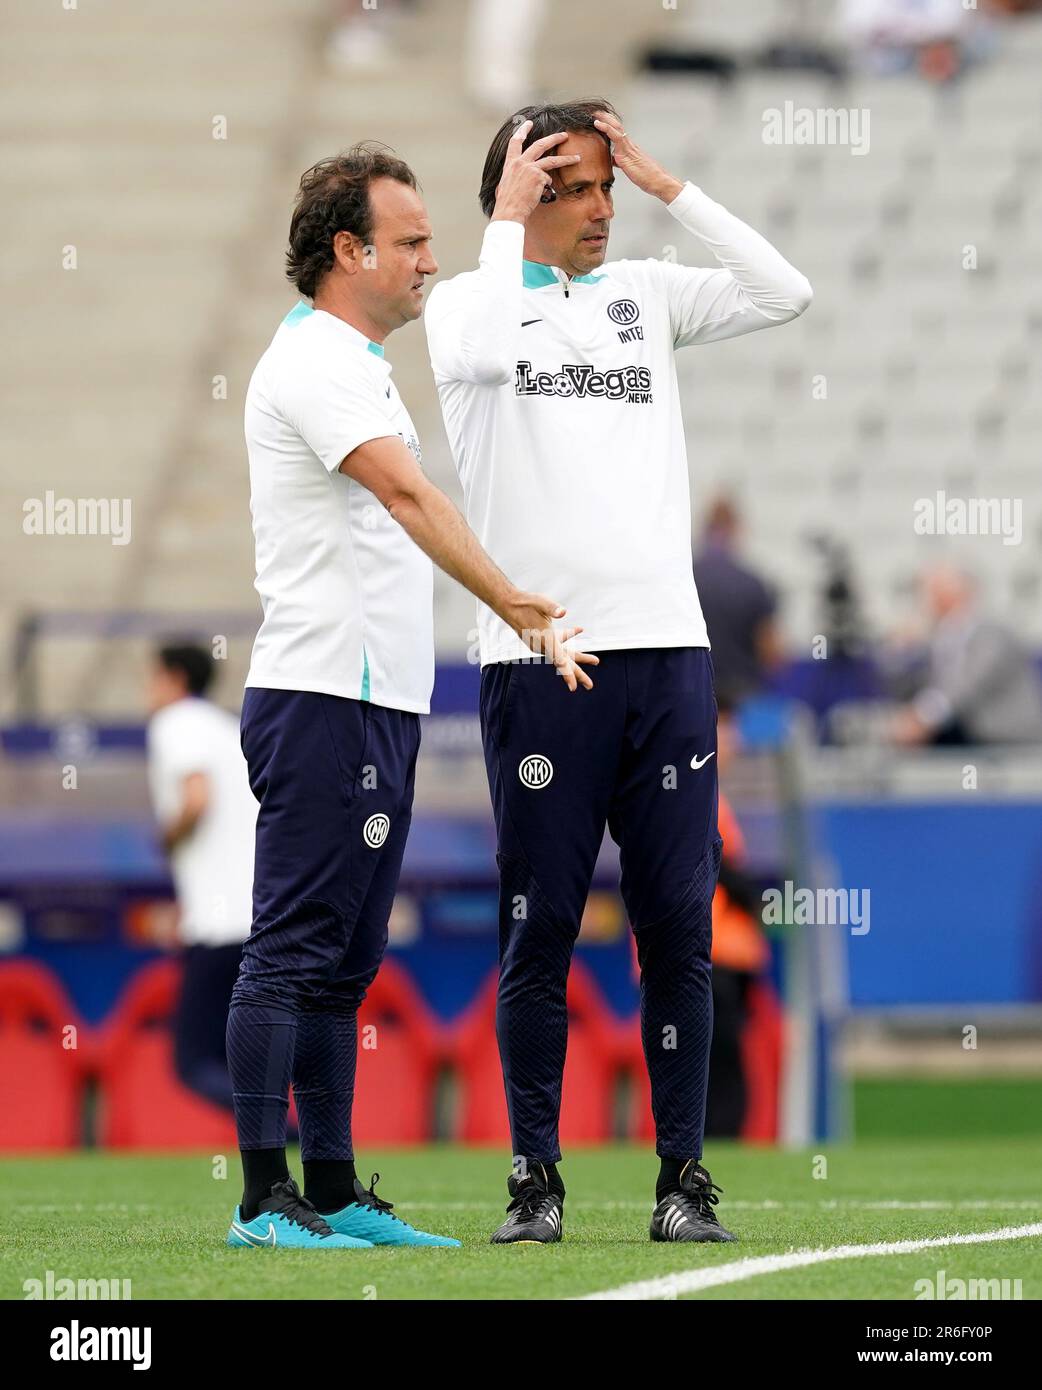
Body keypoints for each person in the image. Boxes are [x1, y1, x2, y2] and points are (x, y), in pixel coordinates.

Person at [425, 99, 811, 1244]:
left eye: (604, 186)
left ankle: (683, 1182)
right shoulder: (467, 304)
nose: (597, 209)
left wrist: (668, 187)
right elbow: (490, 348)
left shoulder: (642, 293)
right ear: (517, 197)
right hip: (543, 656)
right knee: (538, 927)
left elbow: (784, 291)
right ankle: (533, 1181)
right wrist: (503, 218)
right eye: (572, 188)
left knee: (677, 929)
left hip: (667, 657)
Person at [228, 143, 596, 1252]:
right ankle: (260, 1198)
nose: (430, 260)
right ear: (350, 251)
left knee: (345, 961)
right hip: (317, 696)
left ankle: (332, 1192)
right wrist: (518, 605)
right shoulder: (314, 363)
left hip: (374, 700)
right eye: (413, 240)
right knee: (290, 950)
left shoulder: (361, 361)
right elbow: (405, 495)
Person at [146, 642, 256, 1113]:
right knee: (239, 1057)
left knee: (192, 1061)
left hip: (217, 925)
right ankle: (282, 1151)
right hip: (257, 918)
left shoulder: (176, 722)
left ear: (174, 678)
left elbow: (195, 797)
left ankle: (286, 1137)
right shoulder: (228, 727)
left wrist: (166, 841)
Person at [891, 567, 1042, 746]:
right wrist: (901, 653)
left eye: (930, 591)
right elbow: (916, 688)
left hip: (1007, 742)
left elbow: (970, 684)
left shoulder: (993, 634)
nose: (924, 600)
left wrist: (923, 716)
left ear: (953, 593)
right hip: (963, 737)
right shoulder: (939, 637)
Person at [692, 497, 782, 697]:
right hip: (743, 696)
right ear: (735, 529)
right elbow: (771, 654)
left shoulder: (685, 580)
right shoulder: (752, 583)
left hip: (697, 695)